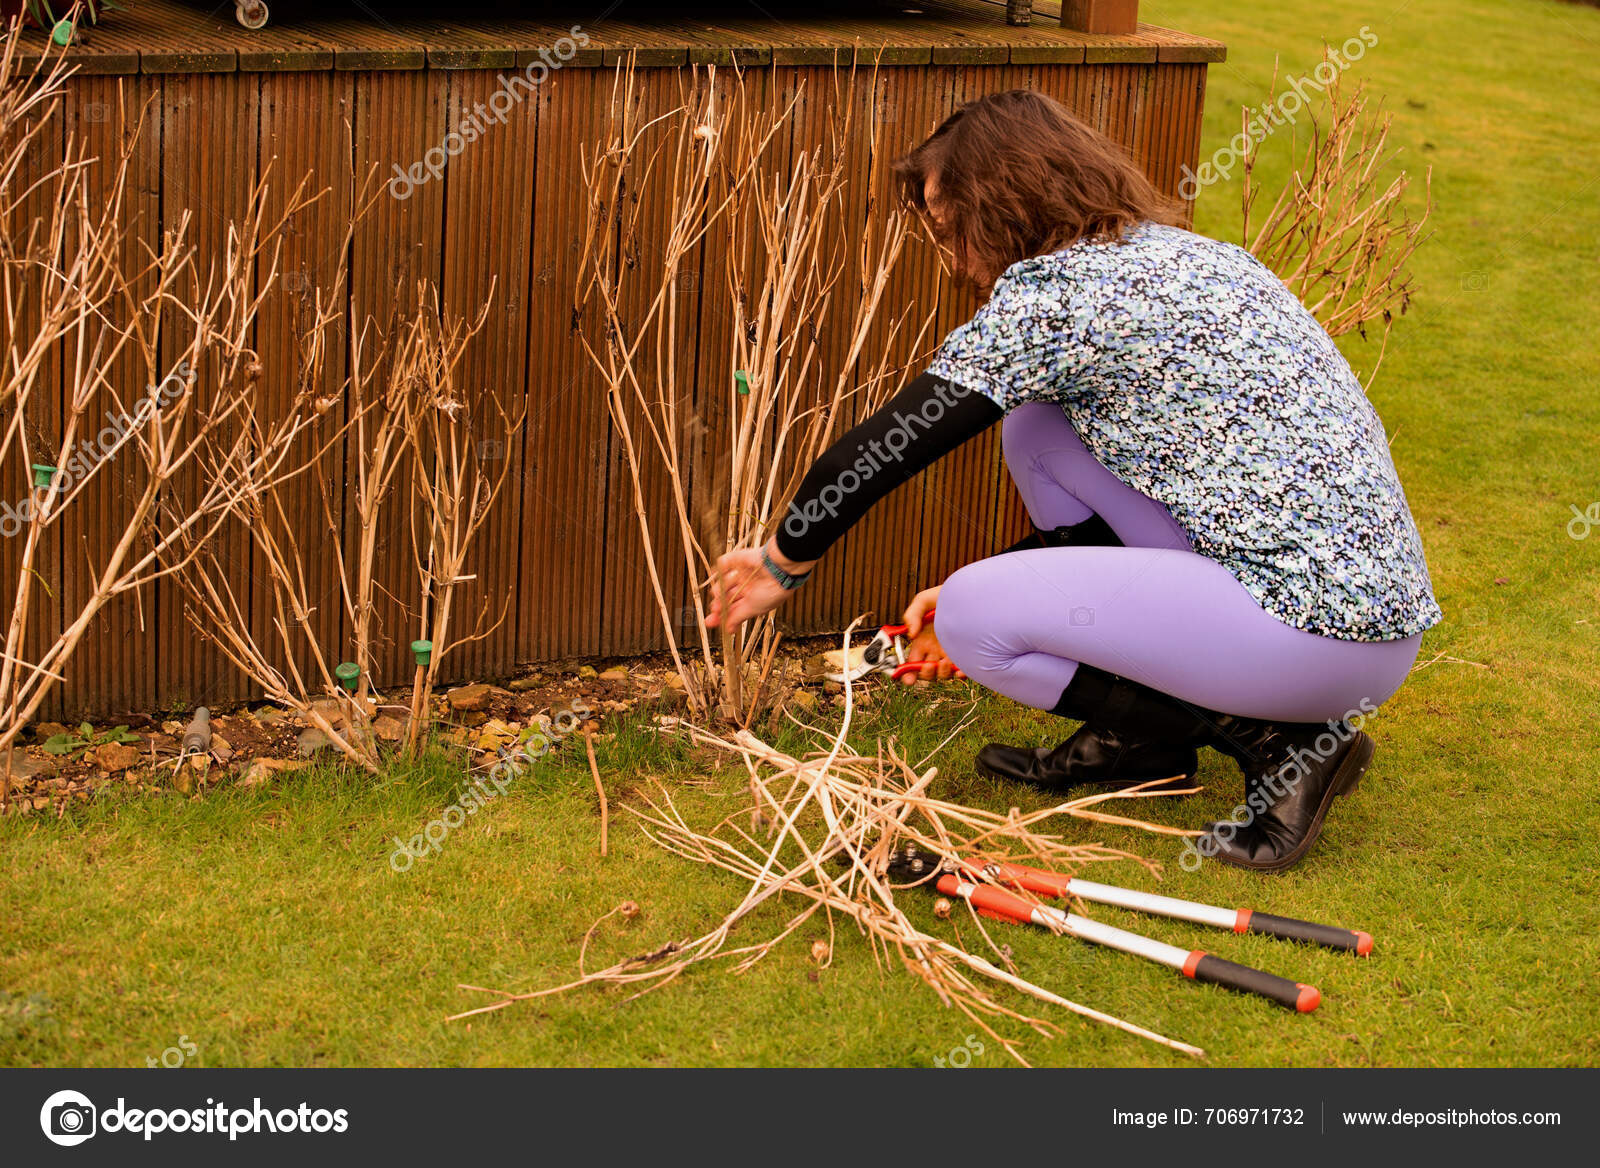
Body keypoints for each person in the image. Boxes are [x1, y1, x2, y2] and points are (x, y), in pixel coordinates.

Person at [706, 90, 1440, 872]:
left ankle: (1285, 746)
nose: (951, 257)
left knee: (976, 616)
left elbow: (892, 441)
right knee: (1038, 429)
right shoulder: (1191, 253)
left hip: (1311, 638)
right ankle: (1145, 743)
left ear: (998, 205)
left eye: (949, 227)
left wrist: (784, 559)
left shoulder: (1053, 299)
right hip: (1368, 619)